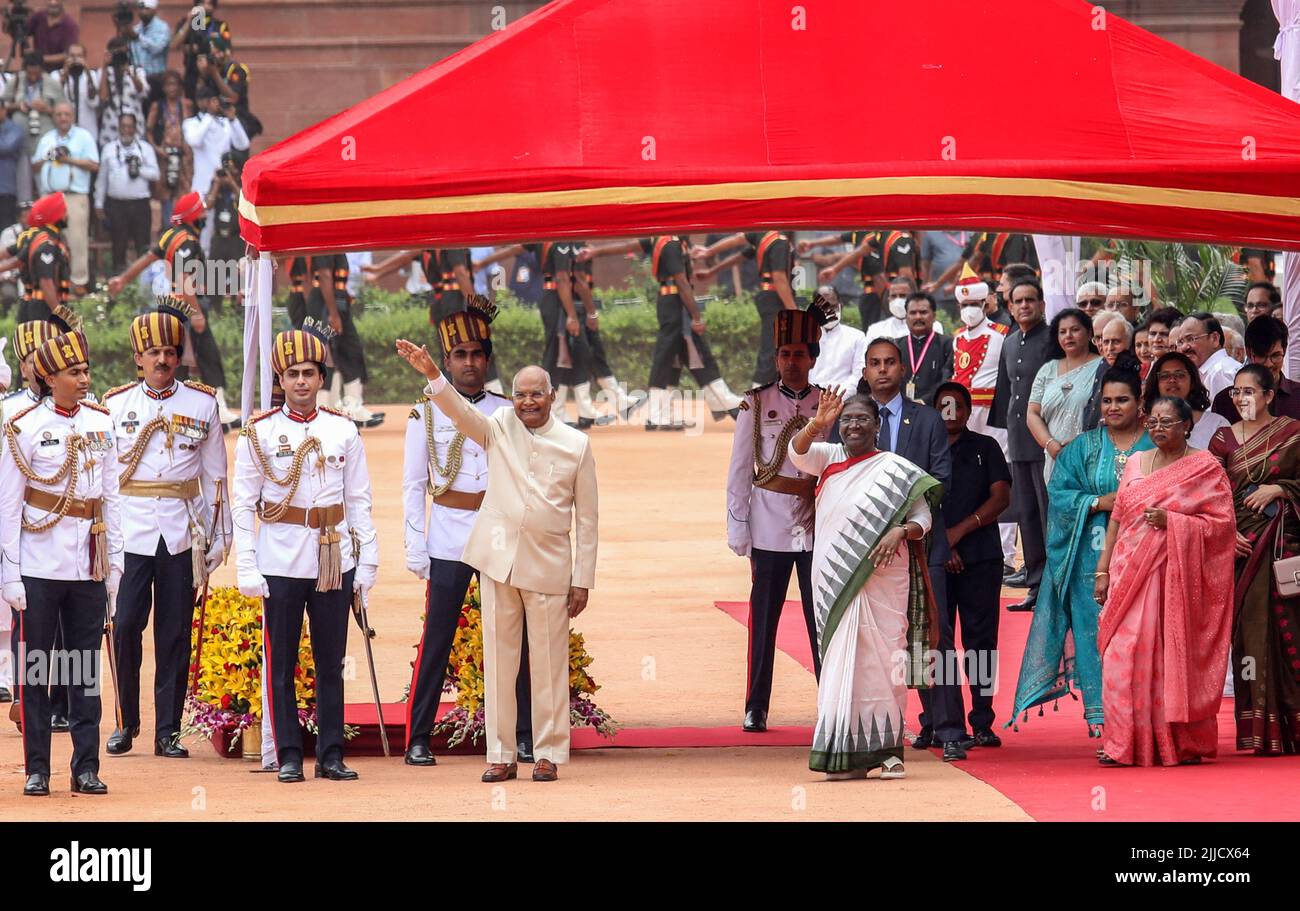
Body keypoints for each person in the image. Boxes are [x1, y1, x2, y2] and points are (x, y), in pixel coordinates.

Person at [394, 340, 599, 786]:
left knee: (546, 663)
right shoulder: (499, 425)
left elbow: (588, 520)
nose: (527, 401)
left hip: (549, 566)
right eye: (521, 393)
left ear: (552, 397)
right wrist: (433, 373)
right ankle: (501, 754)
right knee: (501, 662)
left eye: (536, 394)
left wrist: (582, 579)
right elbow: (460, 414)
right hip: (498, 562)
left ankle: (546, 753)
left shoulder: (576, 445)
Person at [232, 322, 379, 784]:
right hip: (280, 557)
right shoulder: (257, 434)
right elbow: (242, 503)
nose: (300, 381)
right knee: (282, 661)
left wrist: (368, 558)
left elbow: (359, 500)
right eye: (292, 373)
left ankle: (332, 752)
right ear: (279, 381)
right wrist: (247, 563)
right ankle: (291, 753)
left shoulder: (342, 430)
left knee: (331, 659)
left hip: (334, 558)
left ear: (321, 378)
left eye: (309, 372)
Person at [401, 298, 534, 764]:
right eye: (460, 355)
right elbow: (414, 484)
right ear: (447, 361)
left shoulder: (508, 411)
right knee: (438, 636)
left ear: (488, 358)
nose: (470, 363)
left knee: (511, 633)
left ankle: (523, 733)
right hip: (449, 534)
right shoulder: (425, 413)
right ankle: (418, 736)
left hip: (499, 531)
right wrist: (415, 545)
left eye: (477, 354)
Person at [787, 389, 940, 781]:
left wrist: (901, 531)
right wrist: (817, 424)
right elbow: (796, 453)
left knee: (883, 664)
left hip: (883, 580)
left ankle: (888, 753)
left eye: (862, 419)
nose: (853, 425)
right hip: (833, 580)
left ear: (877, 425)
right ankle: (841, 753)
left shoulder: (896, 469)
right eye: (847, 419)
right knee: (839, 662)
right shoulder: (829, 457)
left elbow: (924, 516)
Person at [102, 299, 229, 759]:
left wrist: (220, 536)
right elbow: (102, 480)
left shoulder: (203, 403)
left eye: (170, 352)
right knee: (125, 627)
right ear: (137, 357)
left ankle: (168, 732)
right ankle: (126, 722)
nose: (162, 360)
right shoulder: (114, 405)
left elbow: (216, 477)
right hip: (130, 532)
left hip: (179, 532)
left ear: (180, 356)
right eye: (152, 352)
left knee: (174, 633)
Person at [0, 329, 122, 797]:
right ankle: (37, 769)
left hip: (87, 564)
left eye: (86, 370)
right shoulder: (24, 425)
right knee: (36, 668)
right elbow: (9, 506)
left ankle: (85, 767)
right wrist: (10, 574)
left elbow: (112, 497)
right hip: (38, 565)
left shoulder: (101, 422)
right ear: (50, 377)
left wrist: (116, 566)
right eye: (75, 372)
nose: (85, 378)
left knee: (83, 670)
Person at [1010, 366, 1153, 740]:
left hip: (1145, 558)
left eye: (1122, 399)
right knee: (1095, 633)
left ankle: (1141, 714)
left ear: (1140, 403)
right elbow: (1058, 496)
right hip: (1090, 563)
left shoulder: (1156, 446)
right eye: (1107, 401)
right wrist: (1095, 502)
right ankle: (1102, 716)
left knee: (1140, 636)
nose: (1113, 407)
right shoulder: (1082, 448)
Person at [1094, 396, 1235, 766]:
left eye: (1167, 422)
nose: (1158, 428)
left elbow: (1222, 528)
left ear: (1187, 425)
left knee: (1170, 658)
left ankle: (1177, 741)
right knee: (1121, 655)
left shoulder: (1204, 468)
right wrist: (1103, 570)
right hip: (1130, 576)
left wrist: (1174, 522)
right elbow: (1118, 519)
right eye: (1152, 422)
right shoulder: (1137, 463)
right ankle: (1123, 741)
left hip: (1177, 581)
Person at [857, 338, 958, 755]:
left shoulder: (928, 419)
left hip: (922, 543)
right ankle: (891, 729)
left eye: (890, 363)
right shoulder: (850, 418)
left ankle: (951, 730)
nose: (882, 370)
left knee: (935, 635)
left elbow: (941, 479)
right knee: (880, 639)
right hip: (866, 549)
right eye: (874, 364)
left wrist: (903, 520)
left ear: (903, 370)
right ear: (864, 371)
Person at [726, 309, 824, 732]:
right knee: (763, 620)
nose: (791, 362)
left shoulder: (828, 402)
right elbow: (738, 470)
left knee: (821, 617)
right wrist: (739, 528)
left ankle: (831, 698)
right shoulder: (755, 401)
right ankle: (756, 705)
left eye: (799, 353)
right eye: (784, 353)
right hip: (768, 525)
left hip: (819, 527)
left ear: (812, 358)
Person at [1208, 366, 1300, 755]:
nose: (1242, 399)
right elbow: (1209, 494)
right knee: (1248, 636)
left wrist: (1280, 487)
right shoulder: (1222, 439)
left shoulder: (1293, 432)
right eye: (1236, 392)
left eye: (1249, 391)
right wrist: (1226, 535)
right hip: (1241, 548)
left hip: (1284, 547)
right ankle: (1259, 730)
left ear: (1267, 395)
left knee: (1290, 634)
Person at [106, 190, 239, 430]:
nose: (206, 214)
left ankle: (186, 410)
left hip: (172, 305)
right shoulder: (187, 240)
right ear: (194, 215)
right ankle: (215, 412)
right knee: (204, 357)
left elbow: (147, 258)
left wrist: (123, 279)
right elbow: (184, 275)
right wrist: (197, 313)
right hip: (187, 306)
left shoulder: (171, 236)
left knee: (181, 360)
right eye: (202, 211)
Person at [580, 236, 739, 426]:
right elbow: (681, 282)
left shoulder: (667, 239)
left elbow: (627, 245)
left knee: (677, 359)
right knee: (675, 355)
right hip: (675, 303)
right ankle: (724, 401)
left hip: (671, 303)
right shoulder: (671, 243)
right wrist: (696, 316)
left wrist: (596, 251)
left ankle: (666, 411)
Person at [934, 382, 1012, 750]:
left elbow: (1001, 498)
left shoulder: (986, 447)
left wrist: (958, 533)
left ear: (968, 410)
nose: (951, 412)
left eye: (957, 406)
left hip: (981, 557)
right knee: (936, 642)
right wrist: (942, 543)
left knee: (981, 642)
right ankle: (934, 720)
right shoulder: (923, 450)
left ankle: (982, 721)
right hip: (934, 558)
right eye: (943, 406)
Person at [0, 318, 64, 707]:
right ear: (23, 366)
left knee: (69, 624)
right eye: (32, 358)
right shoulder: (9, 411)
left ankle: (62, 700)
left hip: (69, 531)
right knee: (27, 615)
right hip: (23, 526)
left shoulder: (81, 411)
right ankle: (28, 697)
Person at [990, 276, 1052, 612]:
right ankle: (1035, 584)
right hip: (1017, 441)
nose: (1025, 306)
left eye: (1031, 300)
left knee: (1047, 515)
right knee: (1026, 515)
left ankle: (1054, 588)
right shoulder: (1010, 342)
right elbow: (1004, 392)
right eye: (1019, 301)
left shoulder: (1051, 341)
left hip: (1046, 442)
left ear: (1041, 305)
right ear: (1010, 307)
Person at [950, 264, 1016, 574]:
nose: (970, 310)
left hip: (992, 411)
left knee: (998, 475)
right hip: (962, 412)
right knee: (964, 472)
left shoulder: (1002, 333)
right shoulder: (957, 337)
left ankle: (1005, 552)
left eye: (974, 304)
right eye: (965, 305)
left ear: (985, 304)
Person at [695, 231, 799, 387]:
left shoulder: (763, 237)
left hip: (767, 297)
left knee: (776, 348)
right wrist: (794, 311)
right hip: (776, 298)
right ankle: (758, 394)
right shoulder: (779, 241)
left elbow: (738, 249)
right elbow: (779, 278)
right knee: (772, 350)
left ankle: (773, 395)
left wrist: (711, 265)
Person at [292, 253, 383, 428]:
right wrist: (333, 314)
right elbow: (325, 275)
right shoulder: (325, 239)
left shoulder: (337, 244)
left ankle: (350, 404)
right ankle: (324, 407)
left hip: (335, 300)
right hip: (326, 302)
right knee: (327, 355)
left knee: (348, 352)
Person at [1027, 307, 1103, 483]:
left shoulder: (1102, 367)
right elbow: (1032, 413)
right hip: (1055, 457)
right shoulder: (1048, 369)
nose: (1068, 335)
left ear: (1089, 332)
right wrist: (1050, 445)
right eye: (1063, 332)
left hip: (1091, 456)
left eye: (1075, 330)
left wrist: (1079, 446)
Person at [32, 101, 96, 293]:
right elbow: (35, 166)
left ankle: (78, 284)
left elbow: (94, 165)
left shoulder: (83, 137)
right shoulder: (47, 138)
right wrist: (48, 157)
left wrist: (67, 159)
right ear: (54, 117)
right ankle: (49, 282)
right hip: (50, 197)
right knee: (47, 240)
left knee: (76, 240)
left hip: (74, 196)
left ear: (73, 116)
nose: (63, 118)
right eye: (59, 114)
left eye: (66, 114)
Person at [95, 112, 159, 274]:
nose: (126, 130)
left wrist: (139, 169)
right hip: (116, 204)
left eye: (130, 126)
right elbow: (102, 179)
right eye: (123, 126)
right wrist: (98, 203)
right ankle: (118, 284)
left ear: (135, 128)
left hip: (140, 204)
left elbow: (156, 174)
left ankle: (145, 286)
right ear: (118, 128)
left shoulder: (145, 148)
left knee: (142, 245)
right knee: (118, 245)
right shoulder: (109, 149)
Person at [1212, 316, 1300, 422]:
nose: (1269, 364)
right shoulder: (1225, 402)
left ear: (1284, 351)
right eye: (1262, 356)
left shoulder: (1297, 396)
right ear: (1249, 353)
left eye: (1275, 355)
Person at [3, 53, 62, 204]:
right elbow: (3, 107)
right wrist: (17, 106)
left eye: (37, 73)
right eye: (30, 73)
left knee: (46, 188)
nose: (33, 77)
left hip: (45, 145)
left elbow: (63, 111)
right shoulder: (15, 81)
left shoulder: (53, 83)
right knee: (24, 193)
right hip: (21, 144)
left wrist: (47, 108)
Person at [1143, 351, 1229, 449]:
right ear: (1156, 384)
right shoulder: (1147, 425)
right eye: (1165, 376)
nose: (1172, 380)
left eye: (1180, 375)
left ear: (1192, 382)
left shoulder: (1216, 424)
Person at [182, 85, 247, 196]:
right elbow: (194, 141)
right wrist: (209, 115)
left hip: (225, 182)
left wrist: (233, 120)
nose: (214, 104)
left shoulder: (225, 123)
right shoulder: (191, 123)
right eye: (210, 101)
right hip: (203, 184)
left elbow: (243, 145)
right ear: (200, 102)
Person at [895, 290, 952, 404]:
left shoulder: (947, 345)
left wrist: (925, 400)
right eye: (913, 313)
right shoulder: (896, 346)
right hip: (901, 409)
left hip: (935, 408)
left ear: (934, 316)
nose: (918, 317)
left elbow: (947, 379)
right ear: (906, 317)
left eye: (923, 312)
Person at [806, 286, 867, 392]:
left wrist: (837, 397)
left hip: (846, 401)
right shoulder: (804, 337)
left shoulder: (857, 337)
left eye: (832, 307)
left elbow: (858, 375)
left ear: (840, 307)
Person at [97, 37, 149, 146]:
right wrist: (105, 65)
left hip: (134, 124)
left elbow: (143, 92)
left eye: (122, 52)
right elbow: (102, 97)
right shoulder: (104, 72)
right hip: (111, 125)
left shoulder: (137, 71)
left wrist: (129, 72)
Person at [1178, 311, 1241, 401]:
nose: (1184, 347)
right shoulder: (1210, 372)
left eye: (1191, 339)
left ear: (1214, 339)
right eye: (1181, 342)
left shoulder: (1221, 373)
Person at [150, 121, 191, 228]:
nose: (173, 134)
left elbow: (187, 176)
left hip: (180, 192)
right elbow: (158, 184)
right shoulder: (163, 152)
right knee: (167, 222)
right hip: (166, 190)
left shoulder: (184, 151)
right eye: (170, 131)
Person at [57, 44, 99, 145]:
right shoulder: (57, 75)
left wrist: (87, 72)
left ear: (85, 58)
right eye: (72, 56)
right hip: (64, 132)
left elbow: (94, 102)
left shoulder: (92, 75)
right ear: (66, 57)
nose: (75, 59)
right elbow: (56, 101)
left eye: (79, 56)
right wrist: (65, 73)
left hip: (88, 131)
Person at [26, 0, 79, 72]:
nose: (53, 2)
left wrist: (41, 58)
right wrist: (27, 47)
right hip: (36, 70)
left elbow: (68, 54)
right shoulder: (39, 16)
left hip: (59, 71)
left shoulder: (70, 25)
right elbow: (23, 32)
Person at [0, 112, 24, 229]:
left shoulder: (15, 130)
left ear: (3, 110)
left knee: (5, 232)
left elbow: (6, 147)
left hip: (5, 191)